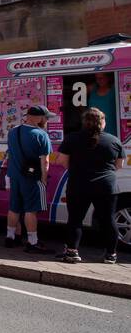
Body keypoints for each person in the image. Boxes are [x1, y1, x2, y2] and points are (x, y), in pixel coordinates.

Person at [55, 107, 125, 264]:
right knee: (108, 220)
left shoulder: (72, 138)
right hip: (107, 186)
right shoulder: (114, 140)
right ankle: (111, 255)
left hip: (79, 185)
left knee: (75, 220)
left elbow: (62, 161)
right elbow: (118, 165)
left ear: (84, 122)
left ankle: (72, 252)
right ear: (102, 122)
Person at [5, 104, 53, 253]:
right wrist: (44, 179)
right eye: (45, 117)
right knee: (30, 210)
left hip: (14, 176)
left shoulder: (13, 132)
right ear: (37, 118)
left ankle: (10, 237)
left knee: (14, 208)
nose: (46, 120)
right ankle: (32, 242)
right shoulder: (41, 134)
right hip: (31, 177)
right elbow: (45, 161)